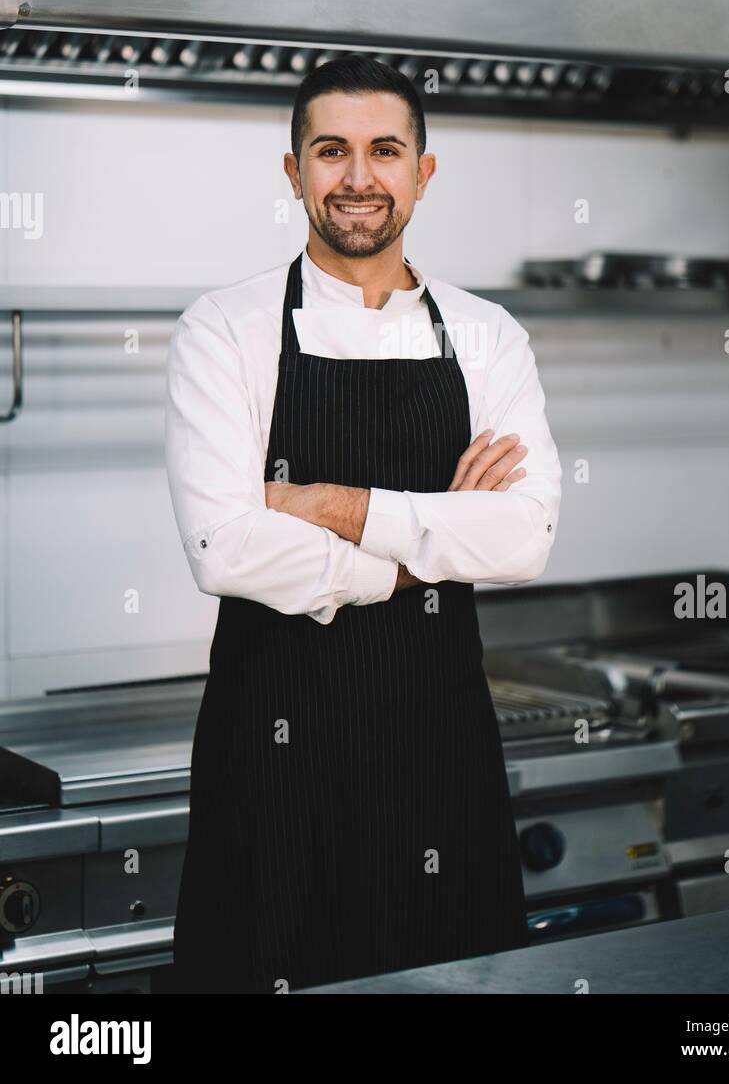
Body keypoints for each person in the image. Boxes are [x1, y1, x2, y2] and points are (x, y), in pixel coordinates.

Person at [165, 54, 562, 993]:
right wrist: (426, 549)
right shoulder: (226, 329)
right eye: (330, 150)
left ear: (423, 172)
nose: (357, 178)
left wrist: (330, 507)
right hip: (275, 755)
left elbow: (524, 538)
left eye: (385, 151)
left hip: (439, 748)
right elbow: (226, 547)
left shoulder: (489, 335)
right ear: (294, 171)